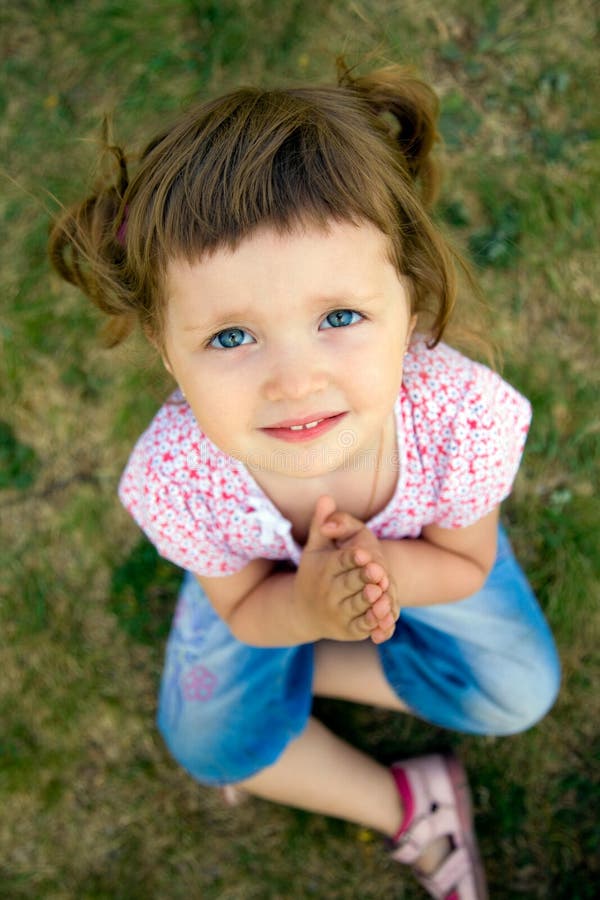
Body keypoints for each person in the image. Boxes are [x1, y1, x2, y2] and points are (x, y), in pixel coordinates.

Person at [49, 60, 560, 900]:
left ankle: (302, 671)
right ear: (164, 349)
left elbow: (465, 565)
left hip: (415, 563)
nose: (294, 381)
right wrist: (310, 608)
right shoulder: (179, 478)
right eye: (229, 338)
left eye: (339, 319)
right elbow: (250, 609)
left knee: (521, 692)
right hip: (263, 591)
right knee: (206, 745)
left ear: (409, 298)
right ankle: (406, 801)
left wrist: (374, 578)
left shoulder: (461, 418)